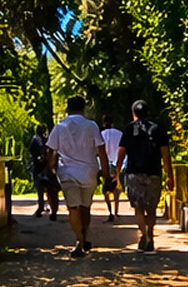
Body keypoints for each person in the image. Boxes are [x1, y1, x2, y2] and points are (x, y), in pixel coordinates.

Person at [46, 96, 109, 257]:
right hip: (89, 173)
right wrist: (106, 175)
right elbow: (101, 150)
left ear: (67, 109)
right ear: (83, 109)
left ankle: (79, 240)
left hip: (67, 173)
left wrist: (50, 170)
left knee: (73, 208)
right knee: (85, 207)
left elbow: (50, 150)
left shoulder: (60, 126)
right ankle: (84, 237)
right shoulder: (91, 126)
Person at [116, 100, 172, 251]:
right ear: (148, 112)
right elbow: (166, 155)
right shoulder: (158, 129)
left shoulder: (129, 129)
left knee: (138, 208)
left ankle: (144, 234)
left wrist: (117, 172)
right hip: (154, 173)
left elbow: (121, 153)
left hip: (134, 173)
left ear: (133, 113)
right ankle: (150, 234)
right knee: (152, 208)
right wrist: (170, 176)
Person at [26, 124, 59, 220]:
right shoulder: (35, 141)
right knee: (40, 188)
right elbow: (33, 152)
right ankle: (41, 207)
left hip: (45, 166)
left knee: (48, 188)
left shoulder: (44, 140)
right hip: (39, 167)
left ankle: (46, 207)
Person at [99, 113, 123, 223]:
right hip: (117, 164)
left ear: (103, 124)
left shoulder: (101, 135)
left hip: (105, 165)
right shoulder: (119, 134)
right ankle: (117, 211)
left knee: (106, 189)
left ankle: (110, 212)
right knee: (116, 189)